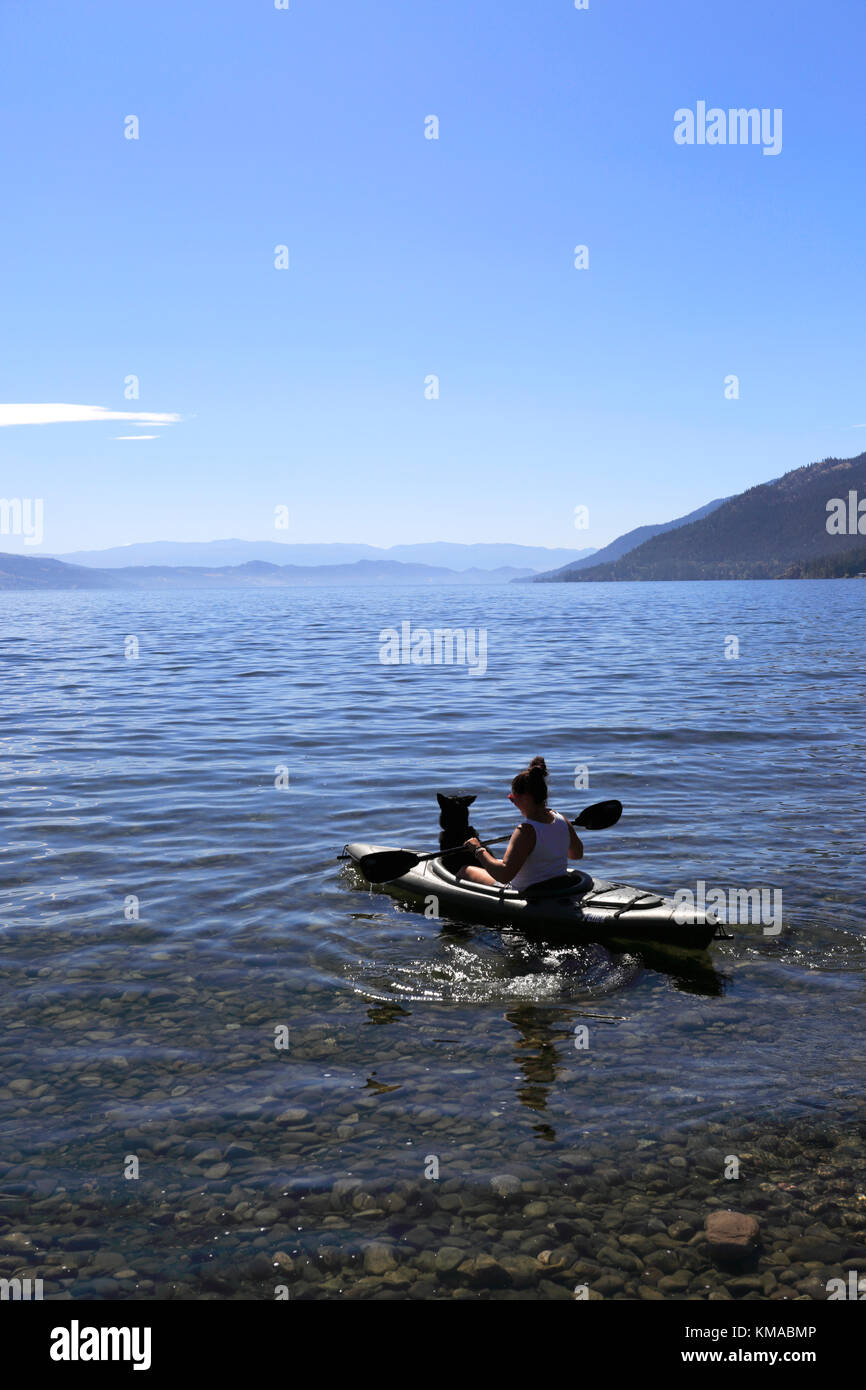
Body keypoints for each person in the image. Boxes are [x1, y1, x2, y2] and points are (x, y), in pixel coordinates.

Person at [460, 756, 583, 888]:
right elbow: (576, 854)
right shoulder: (562, 820)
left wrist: (478, 849)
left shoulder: (525, 831)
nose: (512, 801)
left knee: (465, 871)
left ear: (525, 798)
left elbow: (504, 876)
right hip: (558, 886)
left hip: (526, 892)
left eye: (512, 798)